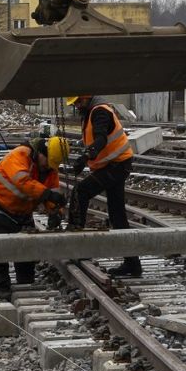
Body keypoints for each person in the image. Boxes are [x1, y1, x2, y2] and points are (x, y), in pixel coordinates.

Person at [0, 132, 69, 301]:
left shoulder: (50, 168)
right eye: (47, 163)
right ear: (40, 153)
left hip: (21, 209)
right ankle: (2, 288)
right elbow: (23, 183)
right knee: (0, 246)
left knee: (26, 246)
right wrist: (48, 195)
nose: (48, 167)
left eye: (52, 165)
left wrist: (55, 211)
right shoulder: (20, 154)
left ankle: (25, 283)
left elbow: (52, 192)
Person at [65, 94, 141, 278]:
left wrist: (85, 156)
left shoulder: (99, 112)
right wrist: (87, 157)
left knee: (80, 192)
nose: (76, 106)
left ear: (86, 97)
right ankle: (132, 264)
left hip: (116, 166)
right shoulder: (92, 111)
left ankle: (77, 246)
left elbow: (100, 140)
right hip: (115, 165)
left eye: (77, 102)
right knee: (117, 215)